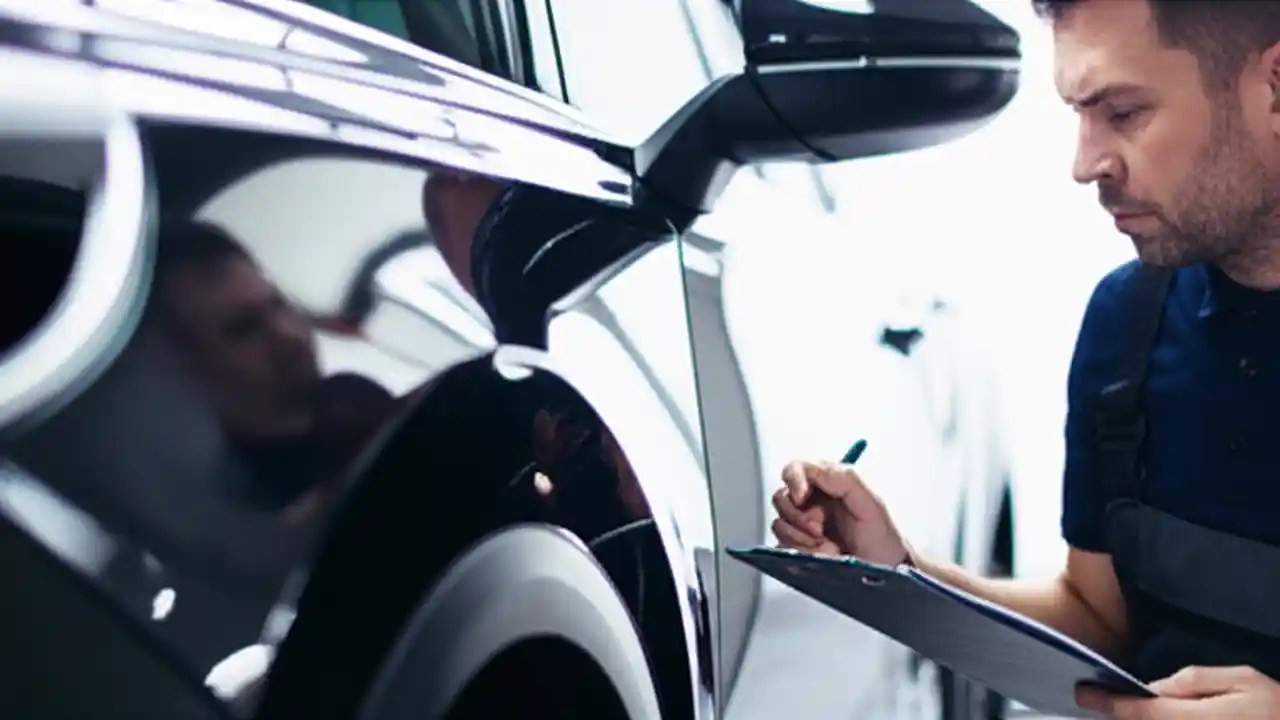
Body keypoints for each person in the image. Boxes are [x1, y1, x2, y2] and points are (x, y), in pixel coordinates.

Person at [771, 1, 1280, 718]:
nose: (1084, 164)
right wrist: (899, 574)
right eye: (1077, 113)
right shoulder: (1127, 326)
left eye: (1124, 112)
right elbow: (1098, 620)